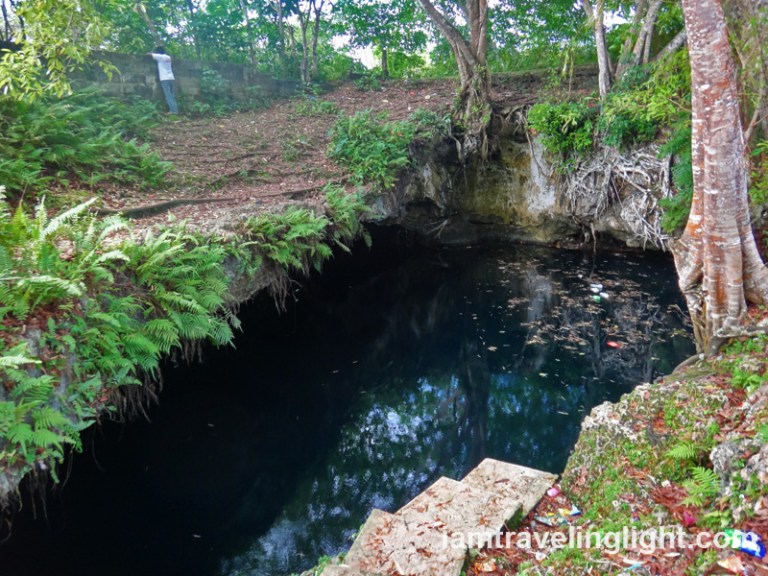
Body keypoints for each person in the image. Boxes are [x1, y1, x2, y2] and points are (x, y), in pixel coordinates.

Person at [149, 46, 179, 114]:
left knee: (168, 95)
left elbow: (149, 55)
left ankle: (173, 111)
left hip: (164, 78)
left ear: (158, 52)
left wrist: (152, 52)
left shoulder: (160, 57)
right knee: (172, 95)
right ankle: (175, 110)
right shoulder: (168, 57)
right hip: (171, 77)